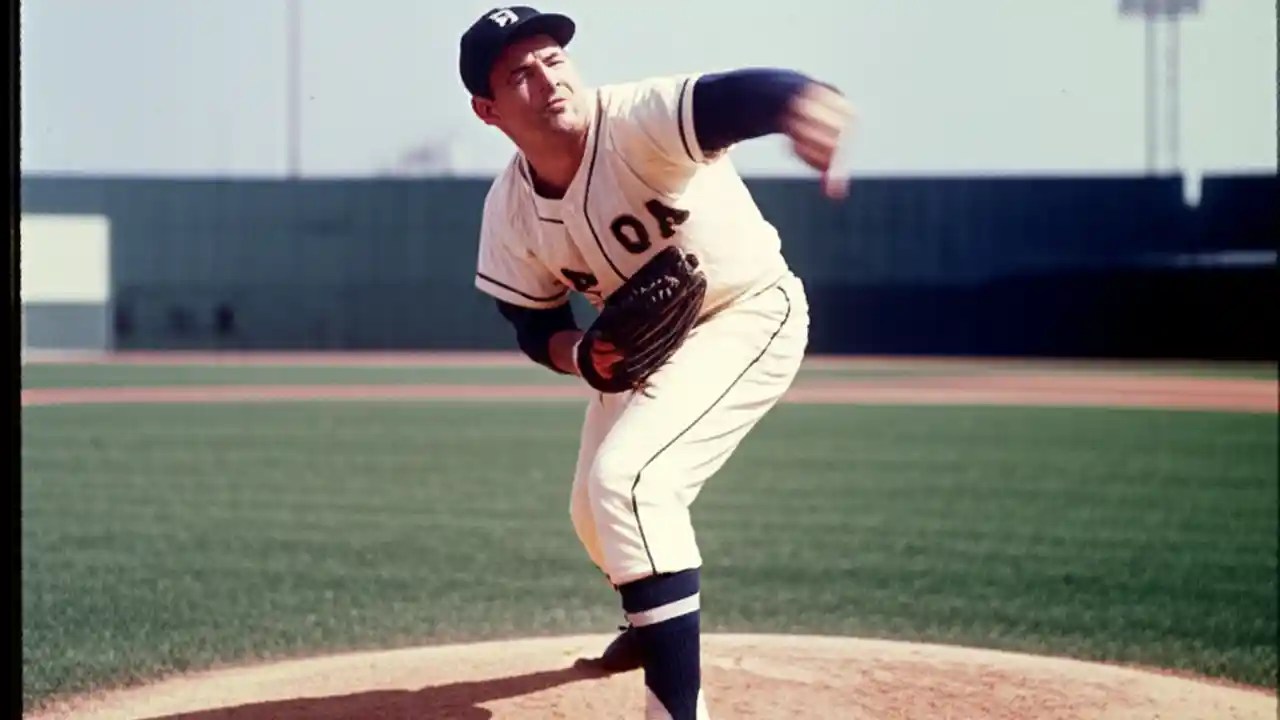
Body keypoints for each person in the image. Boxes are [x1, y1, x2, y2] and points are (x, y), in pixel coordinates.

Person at [459, 7, 853, 719]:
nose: (547, 77)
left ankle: (676, 708)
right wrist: (580, 354)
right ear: (489, 111)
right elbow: (532, 320)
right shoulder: (509, 211)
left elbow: (732, 98)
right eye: (519, 73)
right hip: (652, 350)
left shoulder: (635, 120)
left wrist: (799, 101)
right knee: (591, 513)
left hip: (747, 311)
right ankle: (651, 625)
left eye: (552, 58)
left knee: (631, 484)